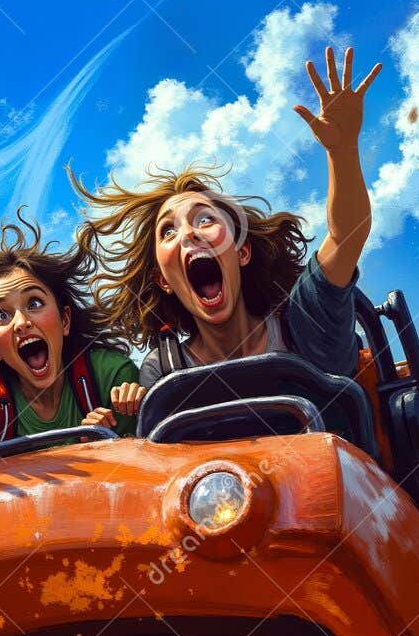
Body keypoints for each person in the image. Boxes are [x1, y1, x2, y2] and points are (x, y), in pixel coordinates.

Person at [74, 46, 382, 386]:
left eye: (205, 219)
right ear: (163, 281)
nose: (188, 233)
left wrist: (342, 150)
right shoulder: (165, 371)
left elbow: (346, 235)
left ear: (242, 251)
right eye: (168, 231)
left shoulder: (302, 324)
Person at [0, 212, 144, 450]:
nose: (21, 322)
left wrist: (114, 443)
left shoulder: (111, 377)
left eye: (34, 303)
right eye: (2, 315)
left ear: (65, 320)